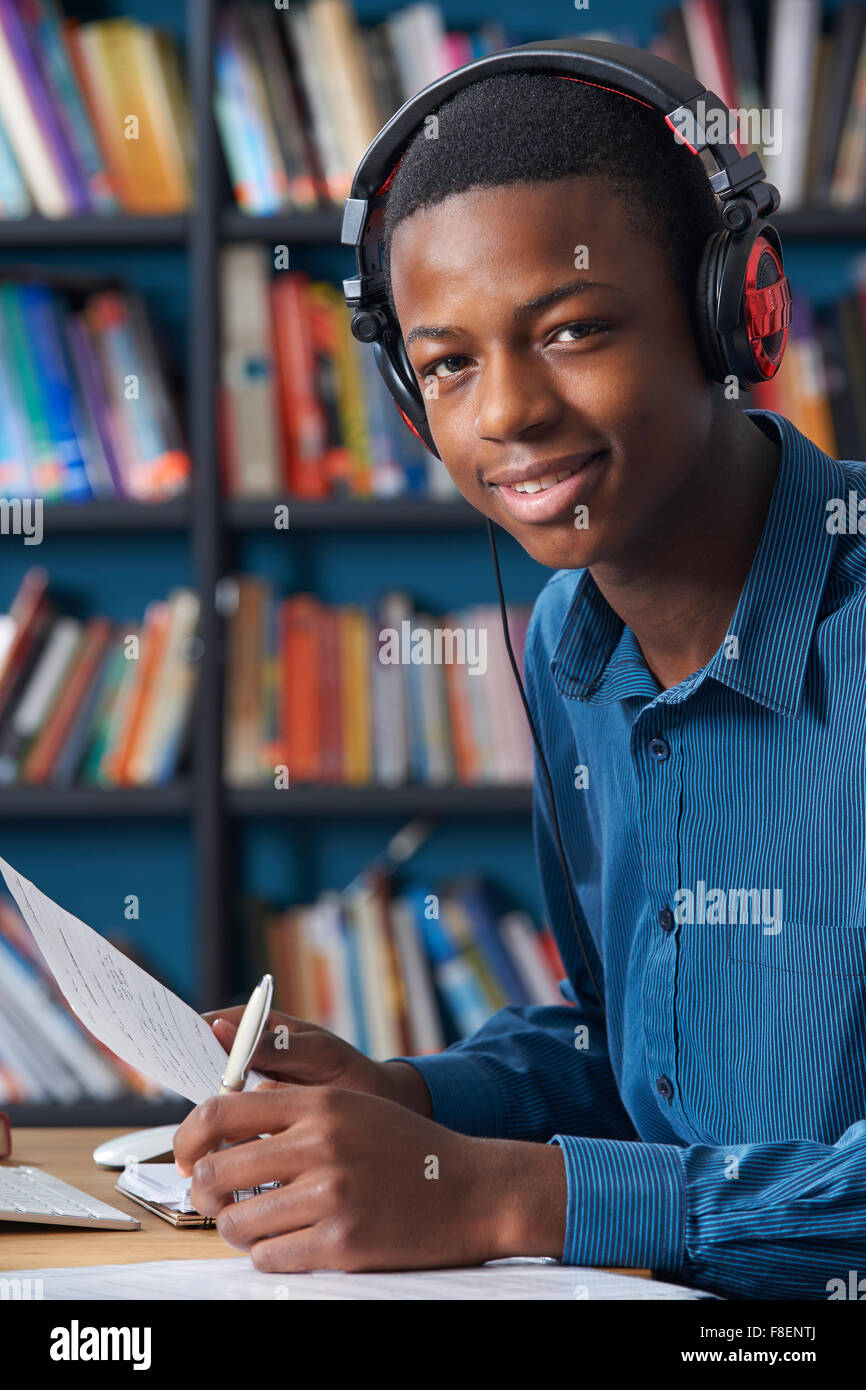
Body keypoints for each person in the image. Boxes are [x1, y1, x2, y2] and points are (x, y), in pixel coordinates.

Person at [174, 68, 866, 1299]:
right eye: (445, 364)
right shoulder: (567, 641)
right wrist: (410, 1099)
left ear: (730, 315)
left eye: (571, 330)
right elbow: (633, 1048)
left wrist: (496, 1192)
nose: (507, 413)